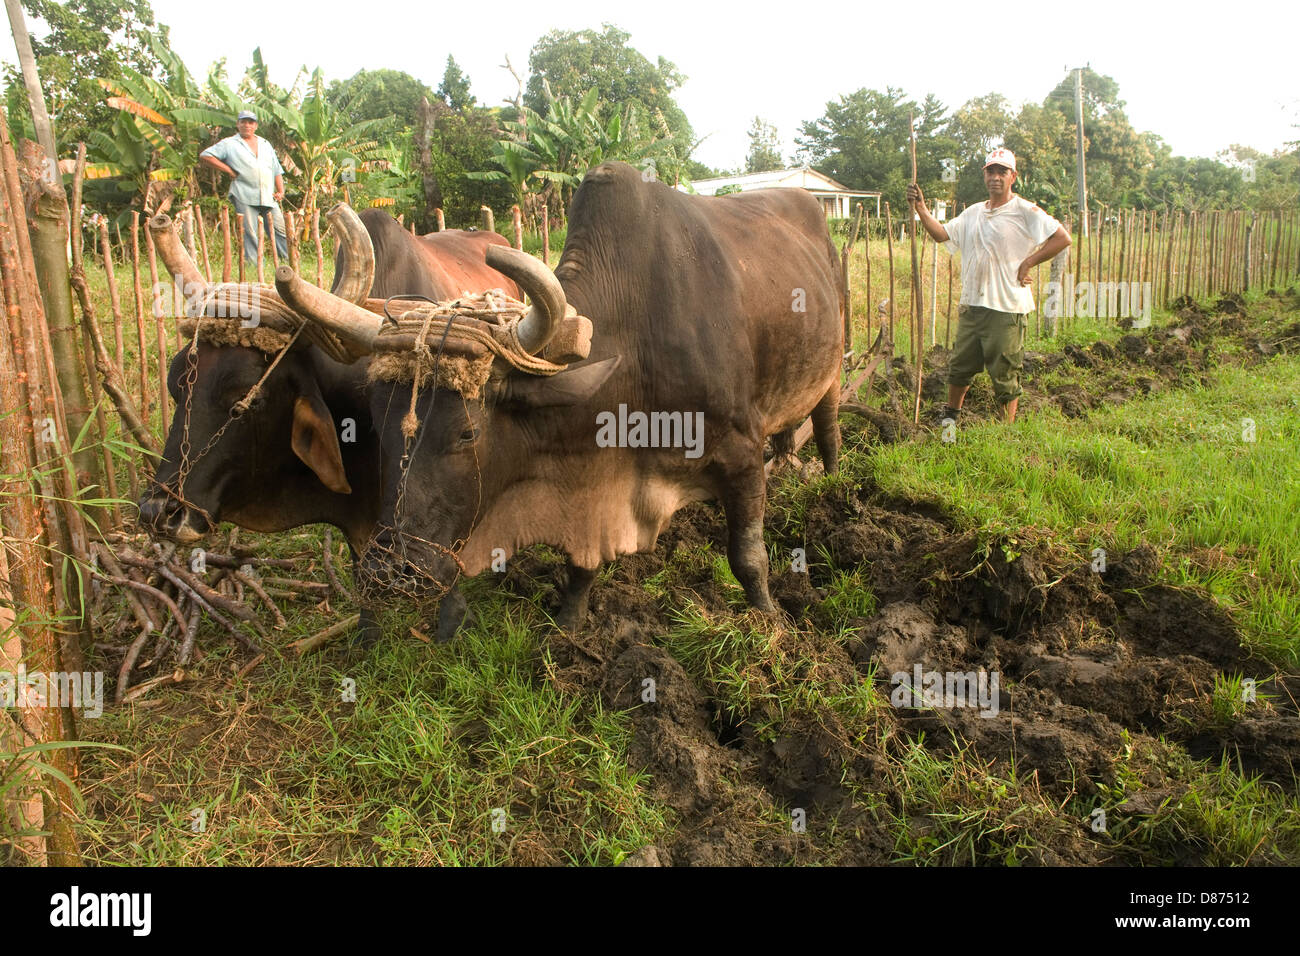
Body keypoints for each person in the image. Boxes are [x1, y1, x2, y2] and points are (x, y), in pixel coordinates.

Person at [909, 147, 1071, 424]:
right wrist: (921, 208)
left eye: (1002, 172)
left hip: (1006, 307)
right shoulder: (973, 213)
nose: (996, 177)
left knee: (1005, 372)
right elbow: (942, 235)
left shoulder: (1025, 211)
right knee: (959, 368)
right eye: (991, 171)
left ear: (1013, 176)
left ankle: (1004, 432)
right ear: (985, 175)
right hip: (973, 306)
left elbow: (1062, 238)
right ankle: (951, 419)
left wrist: (1029, 262)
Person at [199, 110, 290, 264]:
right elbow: (206, 155)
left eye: (250, 122)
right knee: (250, 232)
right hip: (244, 193)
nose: (247, 125)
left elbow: (276, 168)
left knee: (279, 229)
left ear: (255, 125)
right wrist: (228, 170)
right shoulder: (229, 143)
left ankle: (287, 261)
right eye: (243, 122)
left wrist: (280, 190)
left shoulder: (265, 144)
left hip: (267, 195)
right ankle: (254, 265)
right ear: (238, 124)